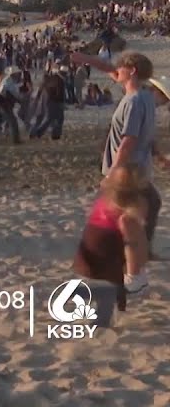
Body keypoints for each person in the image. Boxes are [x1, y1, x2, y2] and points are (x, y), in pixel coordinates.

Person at [72, 51, 161, 252]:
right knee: (149, 203)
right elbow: (111, 69)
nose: (116, 71)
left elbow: (129, 140)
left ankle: (123, 252)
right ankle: (140, 249)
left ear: (132, 71)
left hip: (128, 170)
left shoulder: (133, 101)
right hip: (138, 167)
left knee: (117, 211)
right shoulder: (147, 96)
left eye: (121, 67)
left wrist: (113, 171)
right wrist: (86, 59)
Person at [74, 162, 150, 328]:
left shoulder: (106, 199)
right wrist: (133, 275)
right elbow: (131, 247)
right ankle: (101, 319)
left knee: (104, 287)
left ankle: (88, 296)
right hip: (105, 257)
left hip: (88, 251)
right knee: (110, 291)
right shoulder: (127, 218)